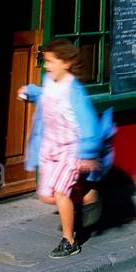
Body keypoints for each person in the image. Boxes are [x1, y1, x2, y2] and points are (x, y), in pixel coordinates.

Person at [18, 38, 114, 257]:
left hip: (71, 150)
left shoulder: (75, 91)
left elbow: (89, 124)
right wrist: (31, 93)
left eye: (51, 61)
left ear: (66, 63)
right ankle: (89, 196)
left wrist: (87, 154)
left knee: (61, 193)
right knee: (47, 196)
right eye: (46, 61)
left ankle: (70, 241)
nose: (47, 65)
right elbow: (45, 95)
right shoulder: (51, 81)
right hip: (50, 148)